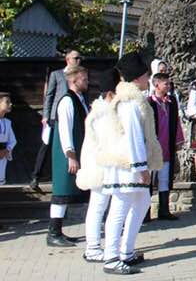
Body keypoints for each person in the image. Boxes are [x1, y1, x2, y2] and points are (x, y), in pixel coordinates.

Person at [99, 52, 163, 275]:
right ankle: (111, 258)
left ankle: (126, 251)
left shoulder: (135, 101)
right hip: (126, 165)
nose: (148, 79)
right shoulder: (128, 102)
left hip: (132, 164)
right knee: (119, 208)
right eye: (146, 75)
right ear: (137, 77)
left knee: (142, 202)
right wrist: (141, 167)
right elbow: (133, 137)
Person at [76, 68, 120, 262]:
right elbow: (108, 141)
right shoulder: (102, 113)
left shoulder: (102, 110)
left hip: (104, 165)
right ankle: (93, 247)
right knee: (98, 206)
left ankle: (102, 246)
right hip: (100, 166)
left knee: (100, 206)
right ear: (110, 92)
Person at [48, 63, 89, 247]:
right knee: (61, 192)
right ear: (73, 80)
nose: (87, 82)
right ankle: (53, 233)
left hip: (75, 152)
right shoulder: (67, 101)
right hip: (66, 154)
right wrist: (70, 155)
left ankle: (58, 231)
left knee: (66, 191)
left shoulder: (79, 99)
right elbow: (64, 130)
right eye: (83, 79)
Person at [30, 50, 79, 192]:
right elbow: (49, 96)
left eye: (80, 58)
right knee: (46, 146)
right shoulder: (57, 75)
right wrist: (45, 115)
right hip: (54, 116)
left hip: (72, 115)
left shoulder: (80, 76)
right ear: (68, 59)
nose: (78, 60)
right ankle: (36, 176)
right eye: (76, 58)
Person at [148, 71, 184, 220]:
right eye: (166, 83)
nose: (168, 86)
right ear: (157, 85)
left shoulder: (172, 101)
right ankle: (146, 212)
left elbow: (177, 121)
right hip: (153, 148)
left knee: (164, 178)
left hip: (167, 146)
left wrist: (178, 140)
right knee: (150, 179)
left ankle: (164, 210)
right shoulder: (149, 102)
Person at [0, 92, 15, 185]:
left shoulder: (7, 122)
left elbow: (13, 140)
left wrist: (6, 150)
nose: (10, 104)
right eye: (7, 102)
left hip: (2, 156)